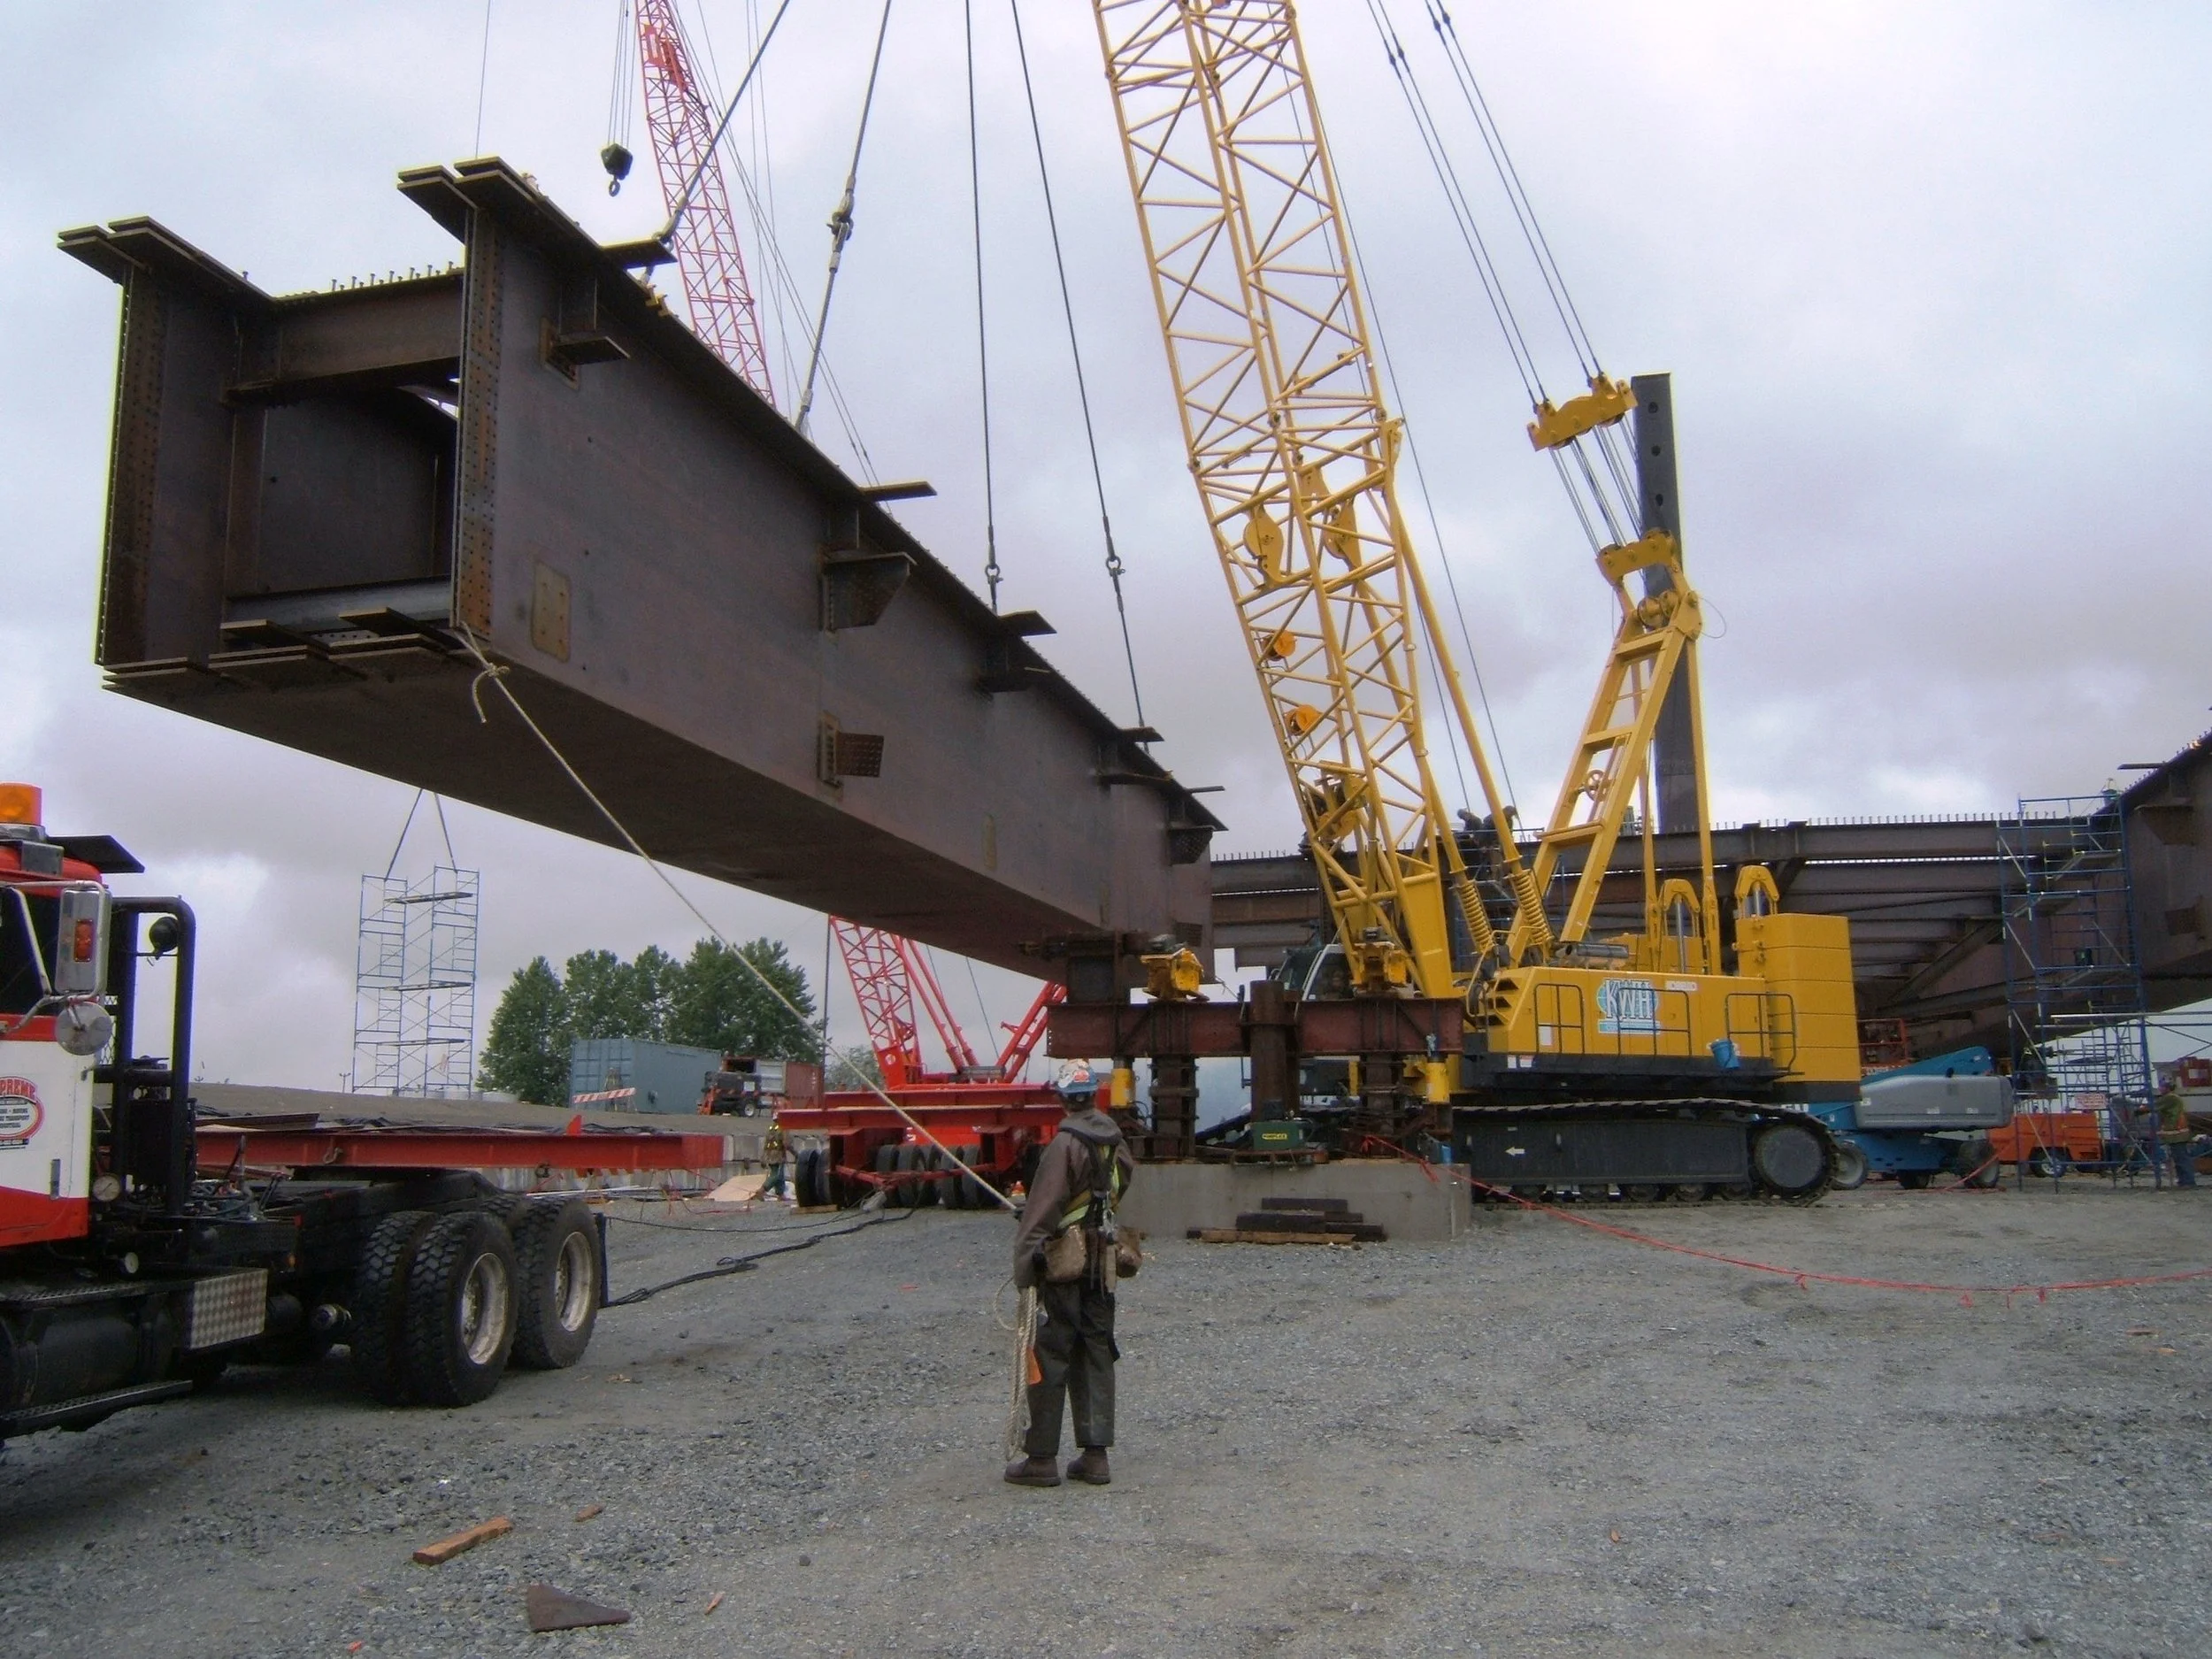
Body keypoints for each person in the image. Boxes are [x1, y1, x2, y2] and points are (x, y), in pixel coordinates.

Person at [1004, 1099, 1134, 1488]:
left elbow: (1045, 1205)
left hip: (1064, 1264)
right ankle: (1096, 1457)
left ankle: (1041, 1458)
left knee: (1050, 1352)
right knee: (1097, 1349)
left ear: (1062, 1100)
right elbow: (1119, 1185)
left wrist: (1025, 1264)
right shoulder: (1116, 1141)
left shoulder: (1064, 1145)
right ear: (1092, 1096)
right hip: (1102, 1263)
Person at [2154, 1073, 2198, 1189]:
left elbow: (2153, 1106)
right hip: (2176, 1133)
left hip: (2177, 1133)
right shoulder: (2173, 1098)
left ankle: (2188, 1181)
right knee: (2180, 1158)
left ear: (2167, 1087)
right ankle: (2184, 1181)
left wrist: (2136, 1110)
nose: (2160, 1089)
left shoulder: (2170, 1098)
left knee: (2181, 1158)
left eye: (2162, 1087)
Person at [758, 1119, 790, 1202]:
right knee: (776, 1175)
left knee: (780, 1175)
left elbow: (766, 1143)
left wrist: (763, 1157)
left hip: (770, 1153)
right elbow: (786, 1143)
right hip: (778, 1154)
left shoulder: (772, 1128)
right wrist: (795, 1154)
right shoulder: (784, 1128)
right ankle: (762, 1190)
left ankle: (781, 1194)